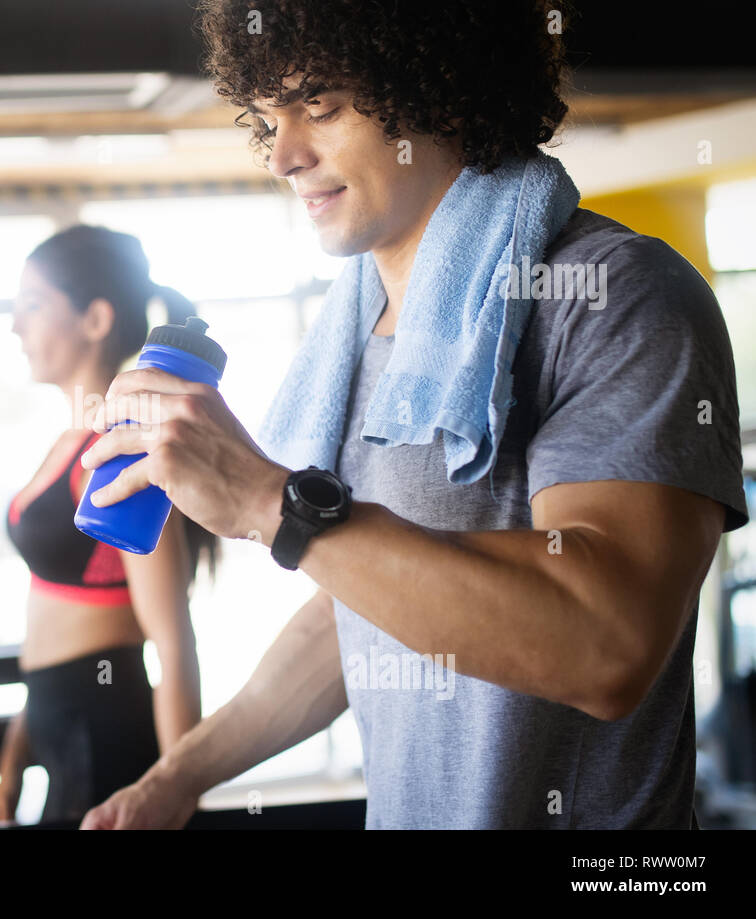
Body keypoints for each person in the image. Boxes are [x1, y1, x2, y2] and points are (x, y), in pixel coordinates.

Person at [77, 0, 748, 829]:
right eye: (267, 119)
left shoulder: (617, 296)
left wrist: (267, 501)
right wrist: (175, 781)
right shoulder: (357, 332)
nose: (285, 155)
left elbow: (606, 643)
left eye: (319, 106)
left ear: (441, 89)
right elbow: (360, 607)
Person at [0, 225, 216, 824]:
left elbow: (175, 643)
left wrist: (177, 793)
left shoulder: (125, 451)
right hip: (55, 724)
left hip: (104, 727)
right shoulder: (69, 443)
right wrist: (9, 770)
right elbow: (41, 632)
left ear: (96, 319)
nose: (15, 327)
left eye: (33, 306)